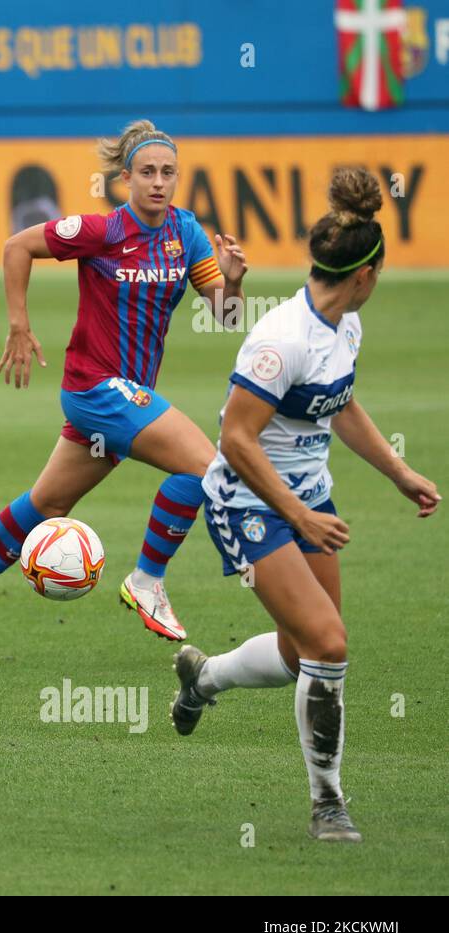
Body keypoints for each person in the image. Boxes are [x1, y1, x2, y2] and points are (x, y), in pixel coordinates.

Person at [170, 167, 439, 842]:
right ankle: (328, 802)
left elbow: (339, 405)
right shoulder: (280, 338)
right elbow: (235, 436)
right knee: (330, 642)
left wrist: (397, 470)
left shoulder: (342, 326)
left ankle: (204, 678)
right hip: (247, 505)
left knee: (302, 652)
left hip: (305, 500)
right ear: (365, 274)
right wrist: (296, 512)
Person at [0, 119, 248, 661]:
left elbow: (227, 316)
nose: (158, 182)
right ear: (126, 178)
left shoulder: (187, 234)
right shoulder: (102, 232)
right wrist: (19, 324)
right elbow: (17, 246)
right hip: (96, 389)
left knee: (49, 501)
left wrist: (233, 279)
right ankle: (147, 580)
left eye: (167, 173)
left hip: (125, 399)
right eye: (146, 172)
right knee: (206, 467)